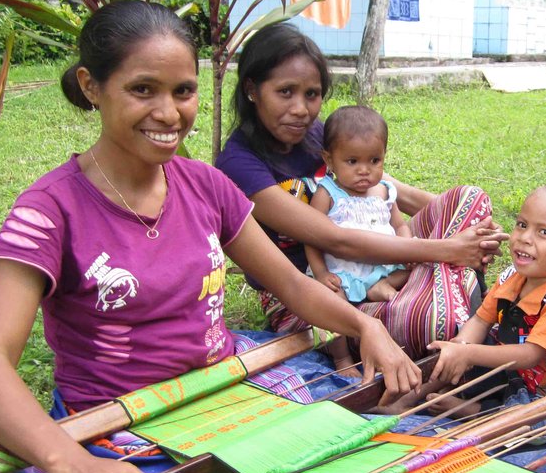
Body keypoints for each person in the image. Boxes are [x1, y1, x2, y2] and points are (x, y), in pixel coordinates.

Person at [0, 1, 454, 473]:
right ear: (92, 87)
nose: (169, 113)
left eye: (184, 90)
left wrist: (364, 327)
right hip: (128, 434)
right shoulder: (51, 210)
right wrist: (68, 460)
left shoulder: (204, 185)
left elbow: (293, 285)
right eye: (143, 89)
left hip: (229, 395)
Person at [215, 23, 507, 360]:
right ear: (252, 89)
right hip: (317, 290)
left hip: (380, 263)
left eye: (311, 94)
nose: (301, 109)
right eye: (285, 92)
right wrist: (447, 250)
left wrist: (476, 231)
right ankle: (448, 298)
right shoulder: (238, 165)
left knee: (468, 199)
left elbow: (397, 192)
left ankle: (442, 299)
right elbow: (335, 239)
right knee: (421, 322)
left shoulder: (314, 135)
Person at [426, 183, 546, 422]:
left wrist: (468, 354)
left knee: (531, 420)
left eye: (544, 232)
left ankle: (476, 411)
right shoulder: (513, 275)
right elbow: (481, 319)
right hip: (515, 374)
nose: (524, 238)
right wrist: (460, 345)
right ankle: (411, 398)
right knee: (464, 349)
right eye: (522, 225)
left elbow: (532, 355)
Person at [303, 105, 412, 373]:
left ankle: (380, 286)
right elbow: (311, 236)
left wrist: (407, 246)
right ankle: (341, 358)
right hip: (343, 272)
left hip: (381, 268)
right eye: (352, 162)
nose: (364, 171)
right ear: (329, 160)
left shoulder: (384, 191)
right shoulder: (327, 194)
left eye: (374, 161)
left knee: (413, 270)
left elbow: (399, 224)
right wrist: (320, 272)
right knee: (330, 302)